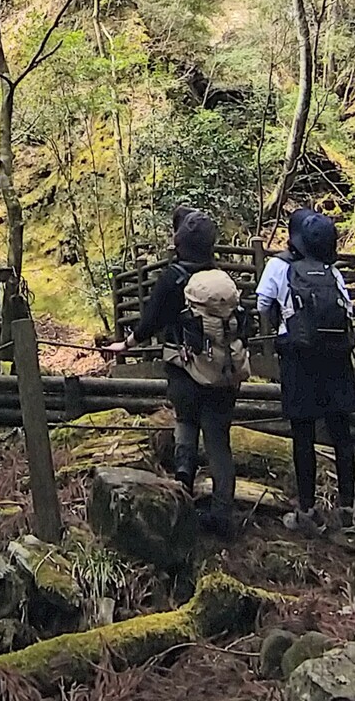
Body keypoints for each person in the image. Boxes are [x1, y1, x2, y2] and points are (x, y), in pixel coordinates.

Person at [105, 207, 249, 538]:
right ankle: (222, 514)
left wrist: (126, 344)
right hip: (224, 373)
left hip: (185, 372)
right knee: (219, 442)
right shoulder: (221, 281)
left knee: (185, 423)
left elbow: (150, 321)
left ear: (179, 242)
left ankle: (182, 494)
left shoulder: (173, 279)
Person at [256, 208, 355, 535]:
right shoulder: (333, 271)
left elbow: (262, 305)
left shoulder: (279, 266)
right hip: (336, 359)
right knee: (342, 434)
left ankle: (306, 510)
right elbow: (348, 311)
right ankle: (347, 510)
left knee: (303, 436)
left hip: (299, 359)